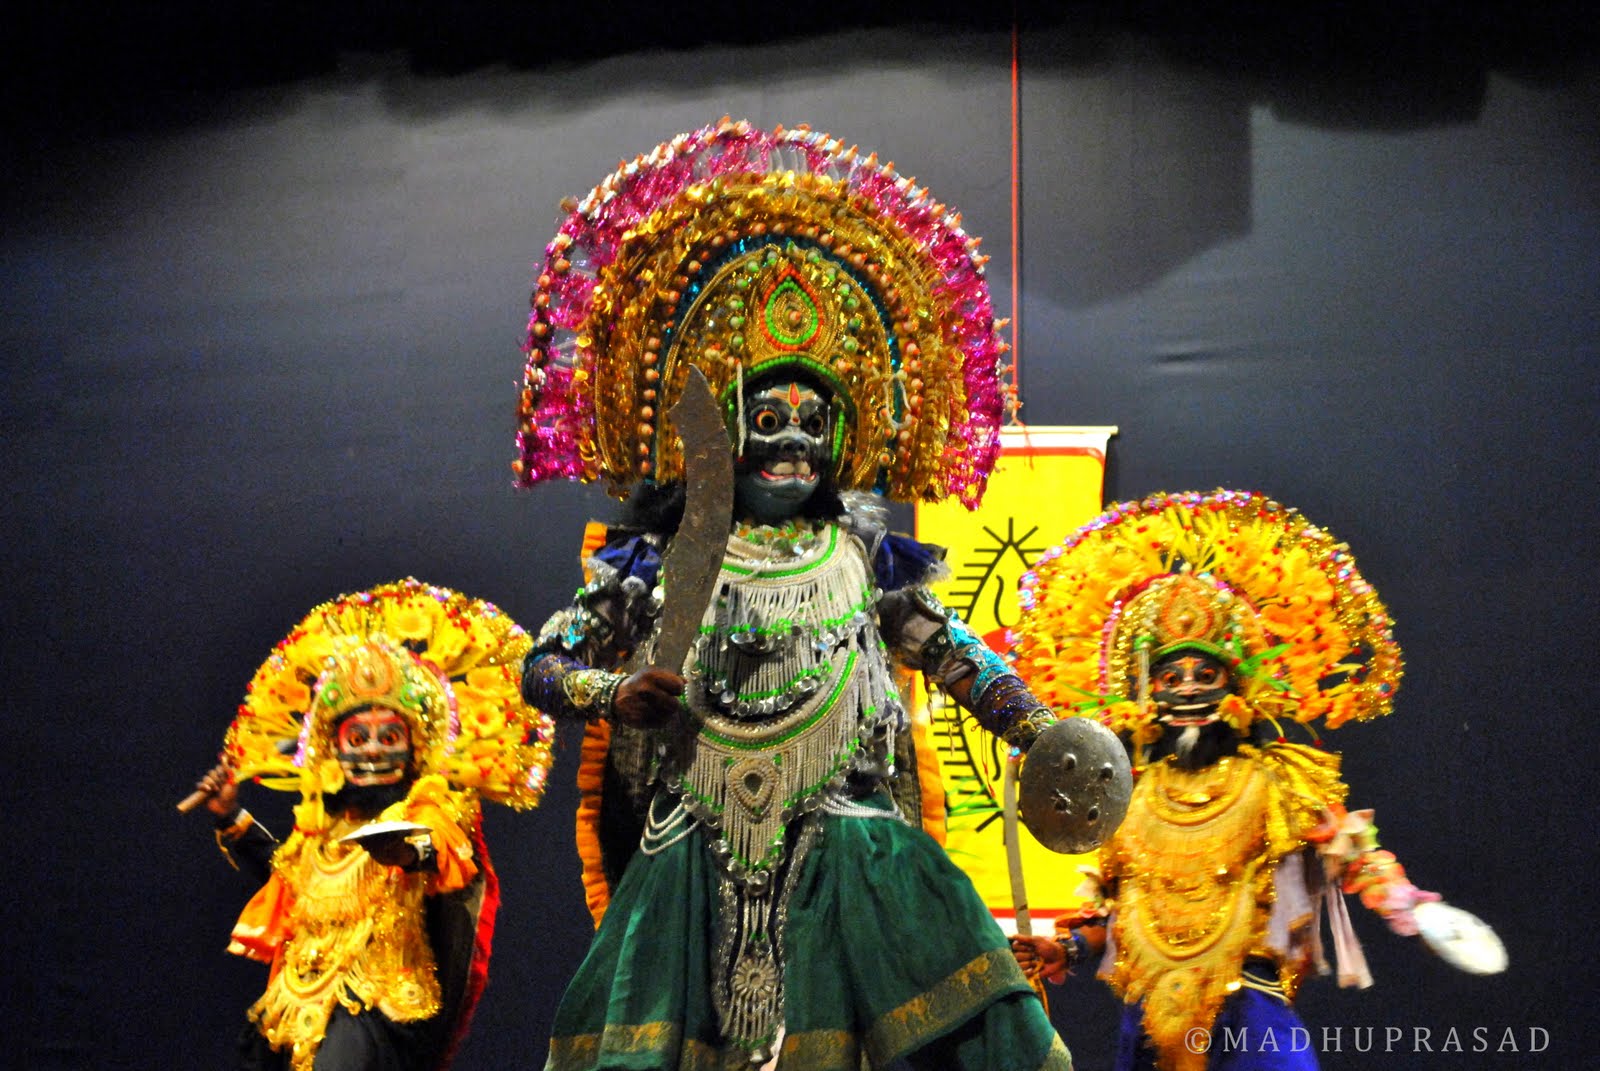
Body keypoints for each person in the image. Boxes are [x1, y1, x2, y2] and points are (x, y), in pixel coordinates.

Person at [513, 120, 1077, 1071]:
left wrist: (1043, 732)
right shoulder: (660, 562)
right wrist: (612, 694)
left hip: (847, 856)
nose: (793, 444)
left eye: (813, 423)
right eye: (767, 420)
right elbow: (541, 666)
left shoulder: (866, 558)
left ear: (842, 436)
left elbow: (951, 654)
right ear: (722, 433)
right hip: (693, 854)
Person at [1006, 489, 1503, 1071]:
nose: (1188, 688)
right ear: (1146, 692)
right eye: (1170, 675)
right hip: (1144, 1034)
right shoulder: (1133, 795)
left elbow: (1354, 855)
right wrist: (1061, 947)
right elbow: (1113, 907)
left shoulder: (1278, 783)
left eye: (1205, 672)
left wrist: (1414, 910)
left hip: (1248, 1025)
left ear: (1238, 683)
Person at [188, 580, 555, 1071]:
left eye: (390, 736)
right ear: (334, 749)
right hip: (293, 1002)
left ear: (415, 747)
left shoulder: (428, 807)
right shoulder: (321, 829)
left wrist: (409, 853)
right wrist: (231, 815)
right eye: (357, 737)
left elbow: (445, 855)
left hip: (378, 1004)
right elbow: (287, 884)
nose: (373, 749)